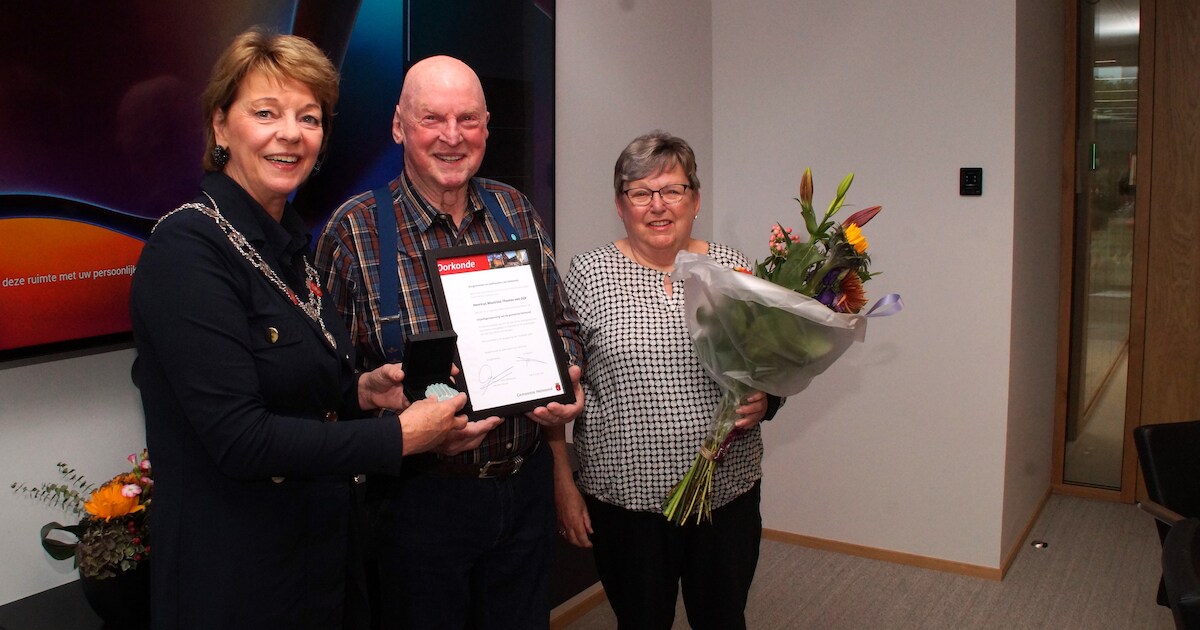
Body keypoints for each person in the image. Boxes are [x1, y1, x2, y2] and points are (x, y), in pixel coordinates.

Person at [130, 30, 492, 630]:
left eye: (309, 116)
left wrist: (360, 391)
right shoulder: (187, 250)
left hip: (320, 557)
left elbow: (295, 384)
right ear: (221, 126)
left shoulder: (289, 247)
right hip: (238, 576)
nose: (290, 133)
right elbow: (241, 439)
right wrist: (398, 437)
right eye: (265, 113)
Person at [314, 55, 584, 628]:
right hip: (419, 505)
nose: (452, 136)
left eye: (468, 119)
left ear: (487, 126)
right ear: (398, 126)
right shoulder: (352, 231)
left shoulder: (514, 211)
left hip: (523, 489)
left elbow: (563, 326)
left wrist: (570, 378)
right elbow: (328, 389)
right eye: (432, 118)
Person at [554, 131, 782, 629]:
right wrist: (563, 484)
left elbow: (768, 367)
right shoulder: (588, 274)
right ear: (620, 204)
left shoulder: (731, 269)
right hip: (624, 500)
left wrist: (767, 400)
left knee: (722, 619)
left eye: (673, 190)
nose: (657, 206)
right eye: (640, 192)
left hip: (725, 494)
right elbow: (558, 387)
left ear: (695, 199)